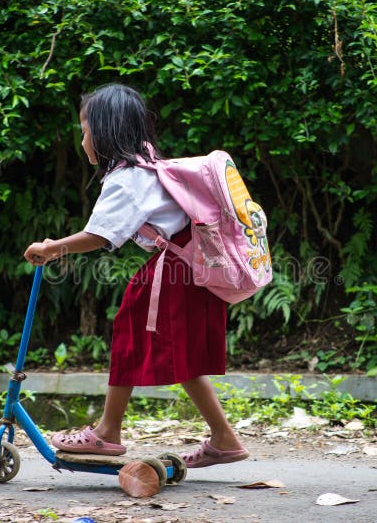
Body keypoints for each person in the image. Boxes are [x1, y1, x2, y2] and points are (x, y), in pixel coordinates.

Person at [23, 83, 249, 468]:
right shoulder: (147, 161)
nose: (82, 141)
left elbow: (100, 235)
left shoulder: (127, 178)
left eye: (84, 131)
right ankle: (224, 438)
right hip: (190, 262)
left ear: (104, 132)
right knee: (179, 350)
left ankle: (108, 431)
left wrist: (52, 248)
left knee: (130, 329)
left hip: (177, 264)